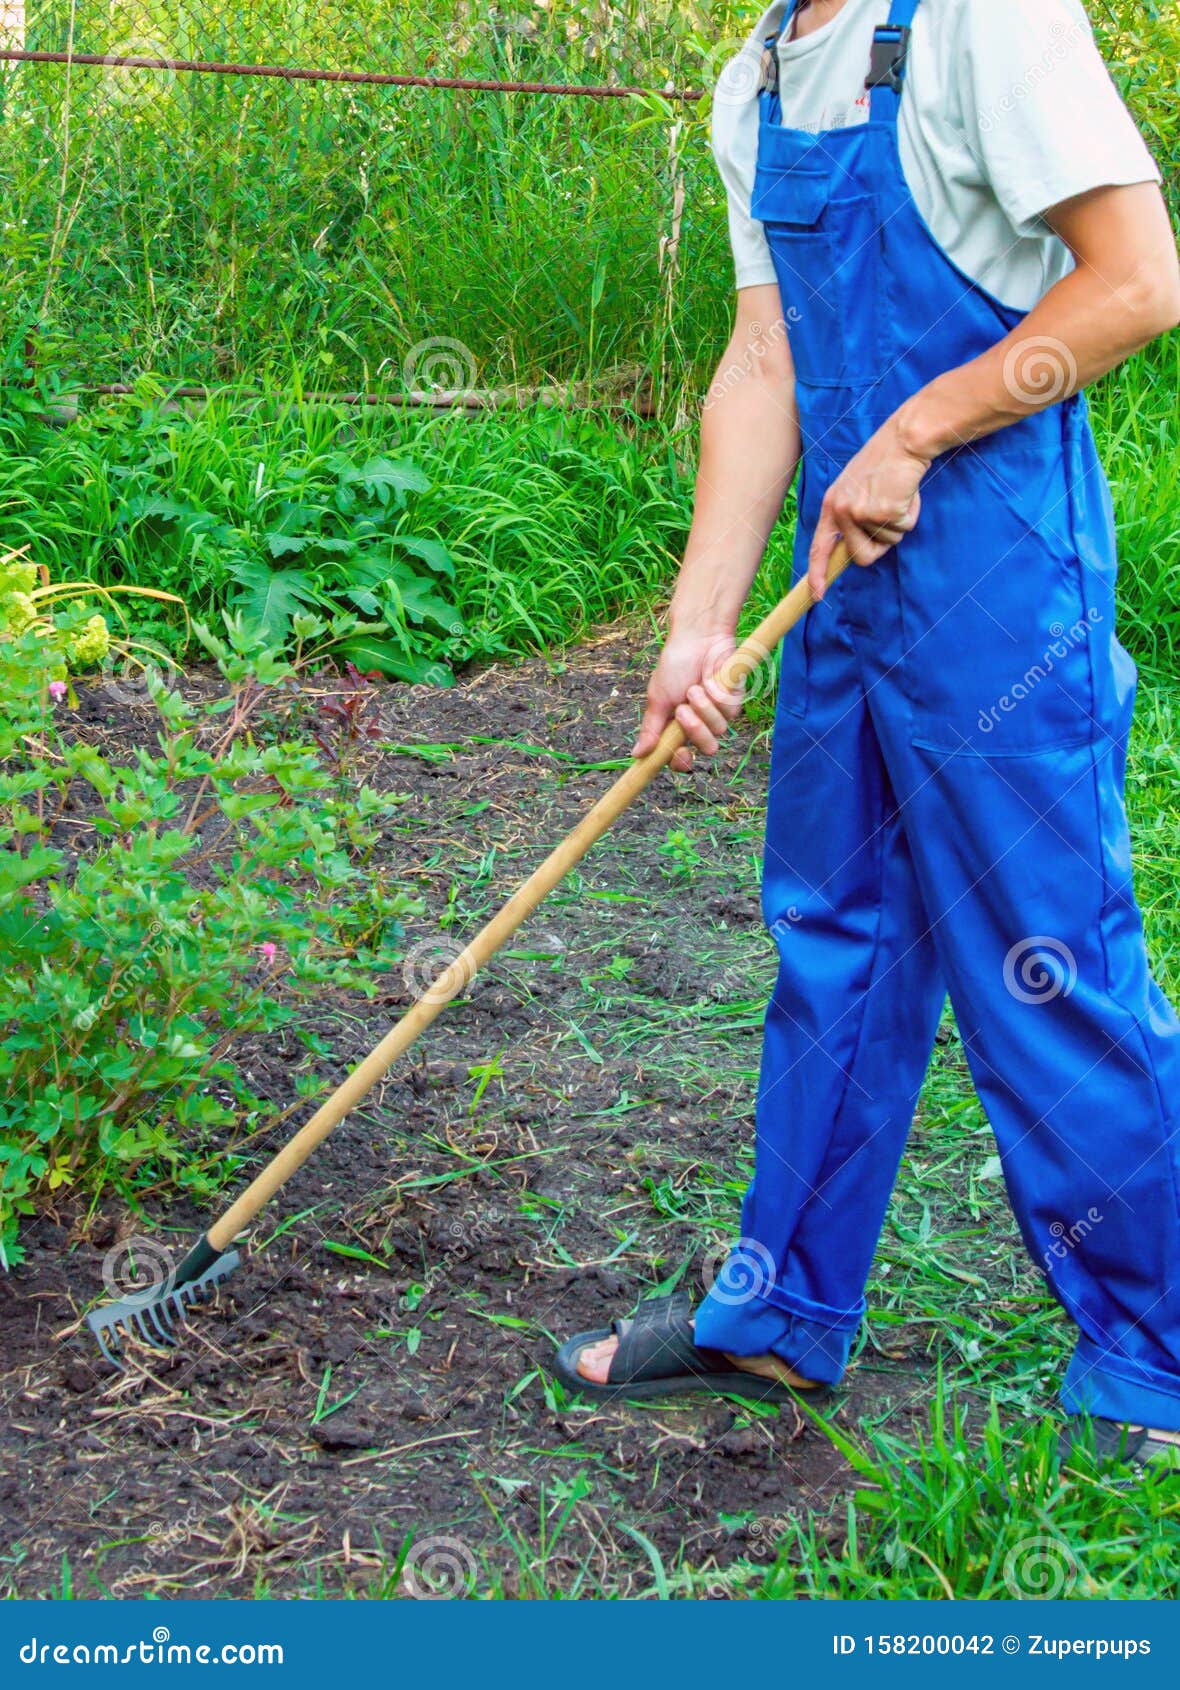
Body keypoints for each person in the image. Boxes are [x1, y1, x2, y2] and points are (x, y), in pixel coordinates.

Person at [554, 0, 1180, 1466]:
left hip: (997, 572)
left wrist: (915, 431)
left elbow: (1138, 280)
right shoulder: (757, 77)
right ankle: (779, 1315)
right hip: (840, 585)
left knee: (1046, 956)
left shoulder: (988, 21)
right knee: (833, 936)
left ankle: (1160, 1358)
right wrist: (697, 625)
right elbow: (763, 364)